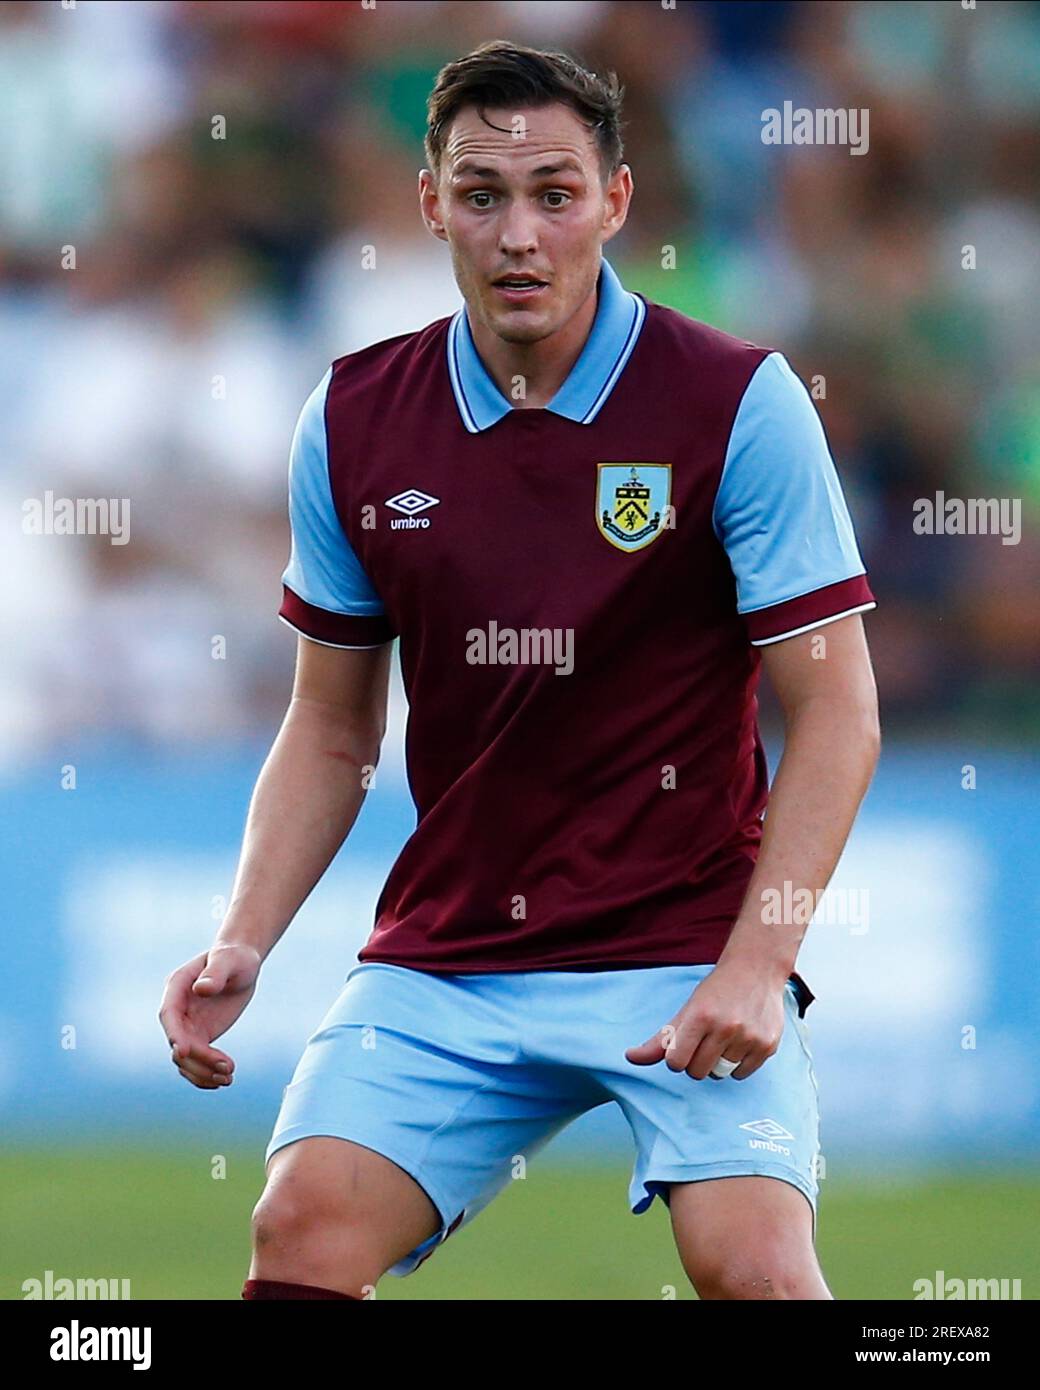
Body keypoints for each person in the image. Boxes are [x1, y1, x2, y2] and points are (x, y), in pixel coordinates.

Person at [159, 39, 880, 1301]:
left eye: (553, 194)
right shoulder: (352, 420)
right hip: (452, 954)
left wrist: (759, 963)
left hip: (682, 937)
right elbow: (331, 729)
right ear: (430, 202)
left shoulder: (735, 404)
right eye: (482, 196)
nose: (518, 235)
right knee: (299, 1229)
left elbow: (836, 714)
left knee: (753, 1269)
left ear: (614, 201)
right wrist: (244, 940)